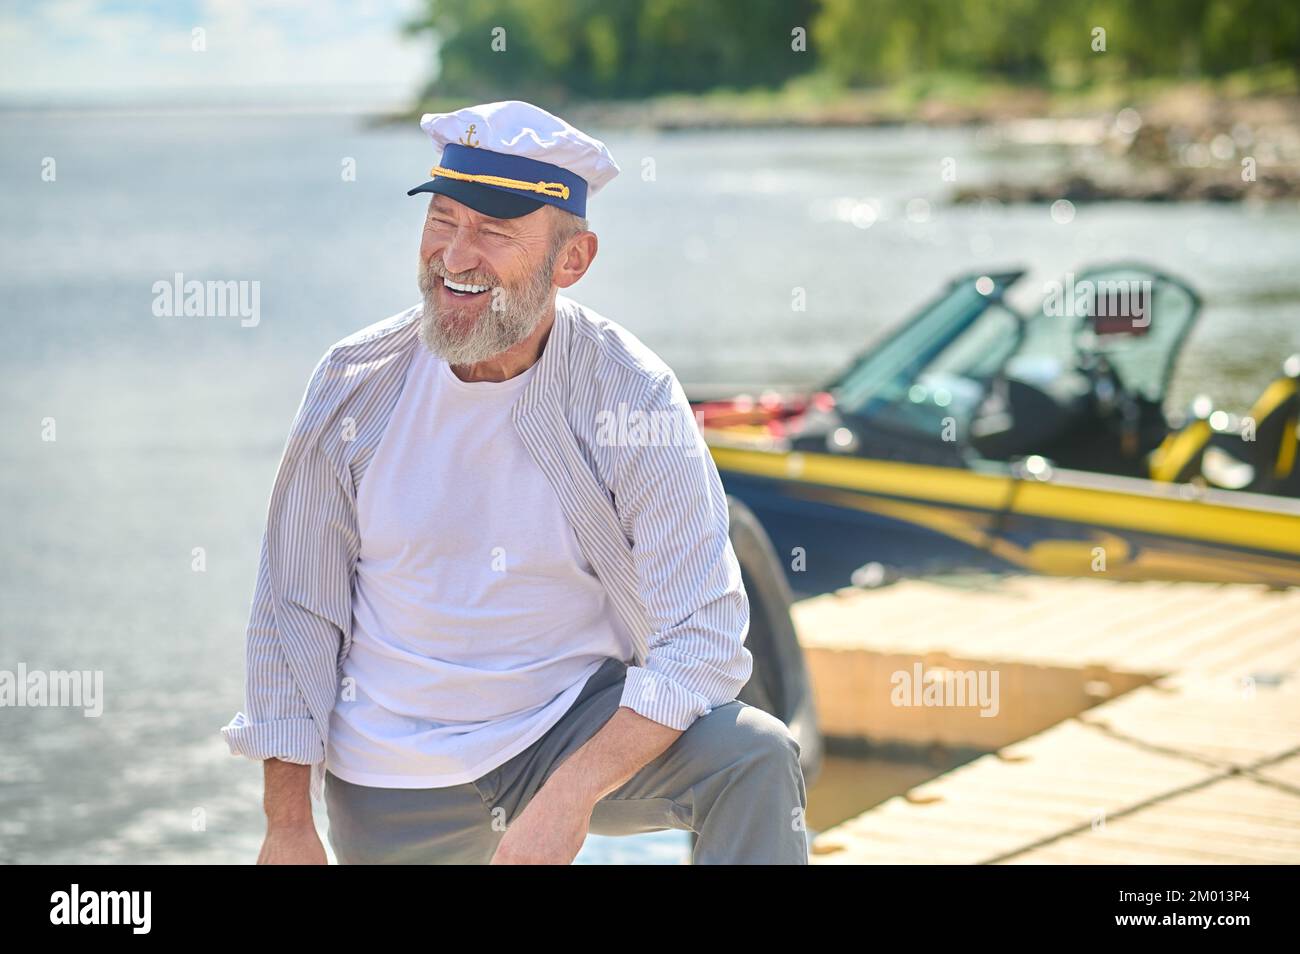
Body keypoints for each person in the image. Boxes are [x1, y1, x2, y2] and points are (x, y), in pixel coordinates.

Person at [221, 100, 808, 864]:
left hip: (564, 726)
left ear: (573, 261)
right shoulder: (351, 383)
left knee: (752, 757)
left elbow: (702, 637)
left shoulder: (630, 394)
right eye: (443, 219)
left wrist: (568, 797)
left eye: (495, 233)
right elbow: (294, 611)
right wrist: (288, 822)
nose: (456, 256)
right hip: (396, 769)